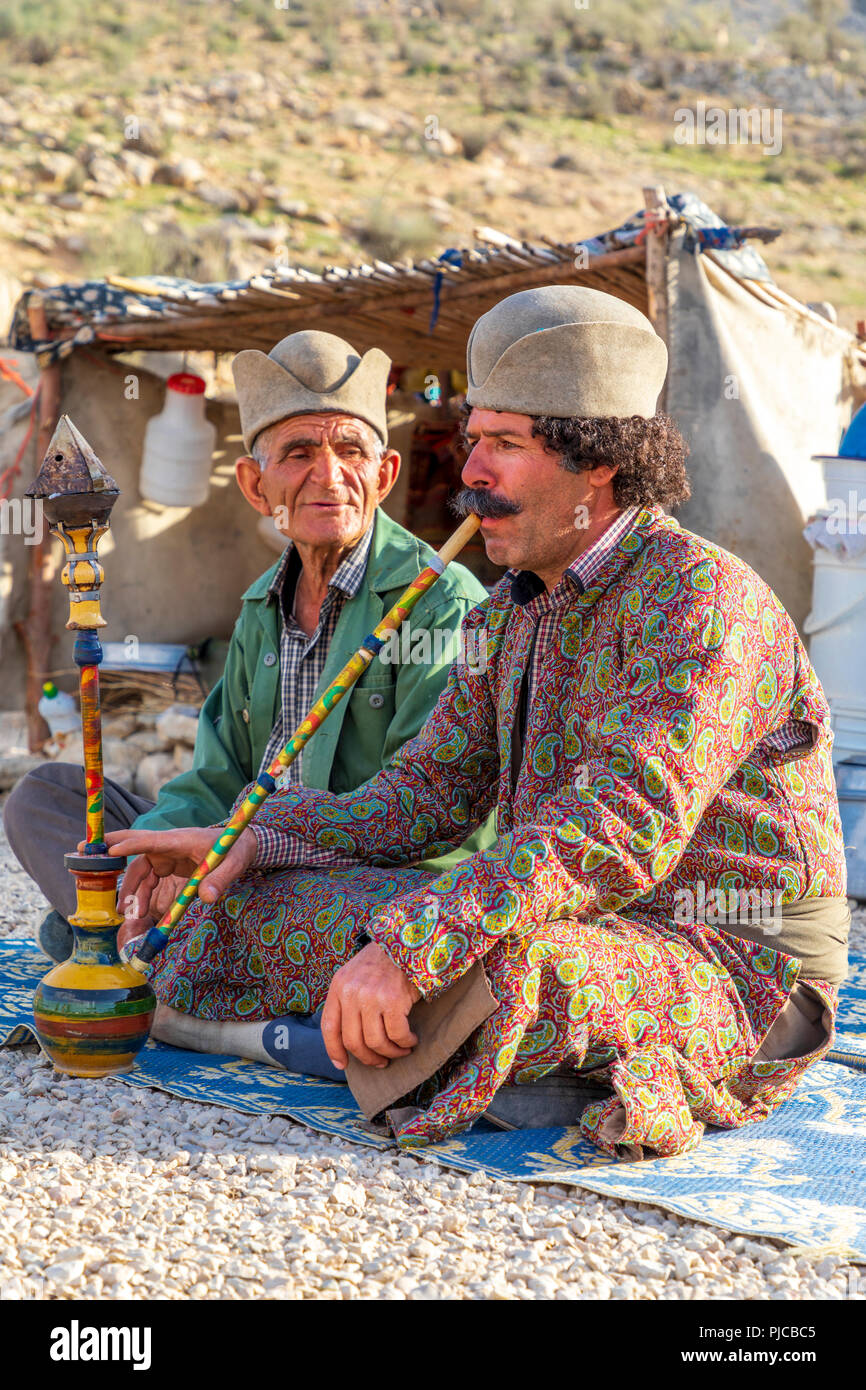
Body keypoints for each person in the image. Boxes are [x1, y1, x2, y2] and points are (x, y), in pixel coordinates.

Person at [107, 287, 849, 1158]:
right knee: (255, 900)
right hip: (555, 913)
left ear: (599, 461)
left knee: (498, 967)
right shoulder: (509, 614)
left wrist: (414, 949)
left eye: (506, 445)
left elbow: (614, 833)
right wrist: (250, 839)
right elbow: (422, 799)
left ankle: (353, 1045)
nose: (471, 476)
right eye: (475, 442)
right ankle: (432, 1055)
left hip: (728, 952)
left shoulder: (703, 602)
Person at [4, 329, 491, 971]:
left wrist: (247, 847)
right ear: (256, 487)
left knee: (334, 909)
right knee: (44, 799)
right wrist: (159, 850)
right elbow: (216, 774)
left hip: (356, 868)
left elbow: (425, 815)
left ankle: (142, 939)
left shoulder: (441, 600)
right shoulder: (263, 604)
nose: (329, 476)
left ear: (385, 473)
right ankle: (148, 923)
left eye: (350, 450)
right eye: (298, 453)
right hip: (233, 851)